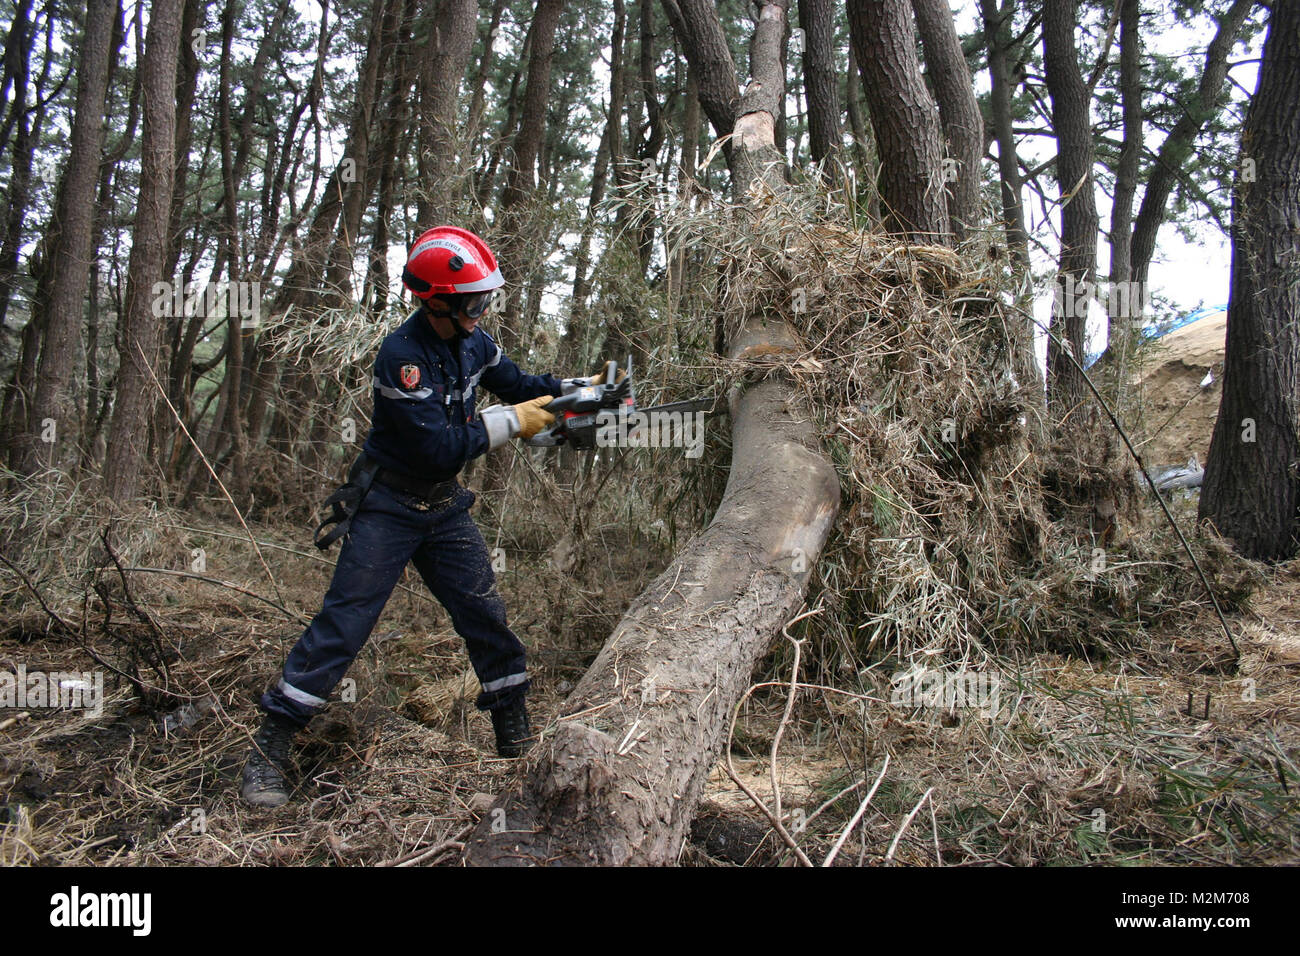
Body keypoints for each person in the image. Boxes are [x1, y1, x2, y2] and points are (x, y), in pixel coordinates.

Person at [240, 226, 612, 808]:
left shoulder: (474, 341)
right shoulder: (402, 358)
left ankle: (514, 740)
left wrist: (579, 391)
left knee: (486, 617)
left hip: (443, 508)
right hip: (388, 508)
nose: (480, 312)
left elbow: (517, 383)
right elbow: (439, 448)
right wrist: (518, 421)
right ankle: (270, 749)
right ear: (436, 302)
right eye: (472, 303)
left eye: (484, 301)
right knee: (344, 624)